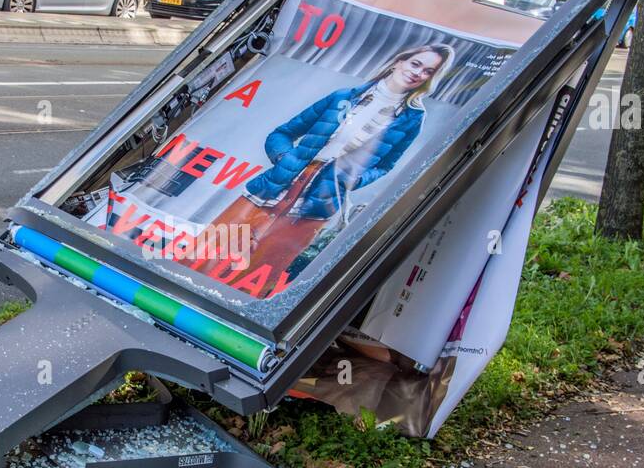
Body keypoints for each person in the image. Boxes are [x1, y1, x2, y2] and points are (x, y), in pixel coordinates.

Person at [194, 44, 455, 295]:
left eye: (427, 71)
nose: (417, 72)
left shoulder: (412, 118)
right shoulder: (342, 97)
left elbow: (385, 166)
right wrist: (288, 159)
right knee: (207, 254)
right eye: (416, 63)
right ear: (400, 61)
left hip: (320, 201)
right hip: (275, 184)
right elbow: (282, 134)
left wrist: (351, 180)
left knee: (258, 274)